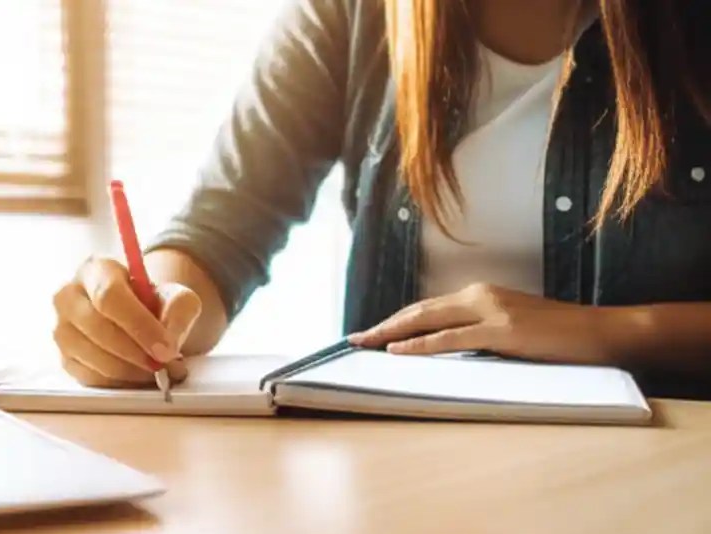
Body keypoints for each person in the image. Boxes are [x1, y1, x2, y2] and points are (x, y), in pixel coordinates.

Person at [52, 0, 711, 399]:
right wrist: (142, 315)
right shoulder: (351, 14)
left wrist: (599, 331)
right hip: (402, 471)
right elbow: (220, 230)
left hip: (660, 475)